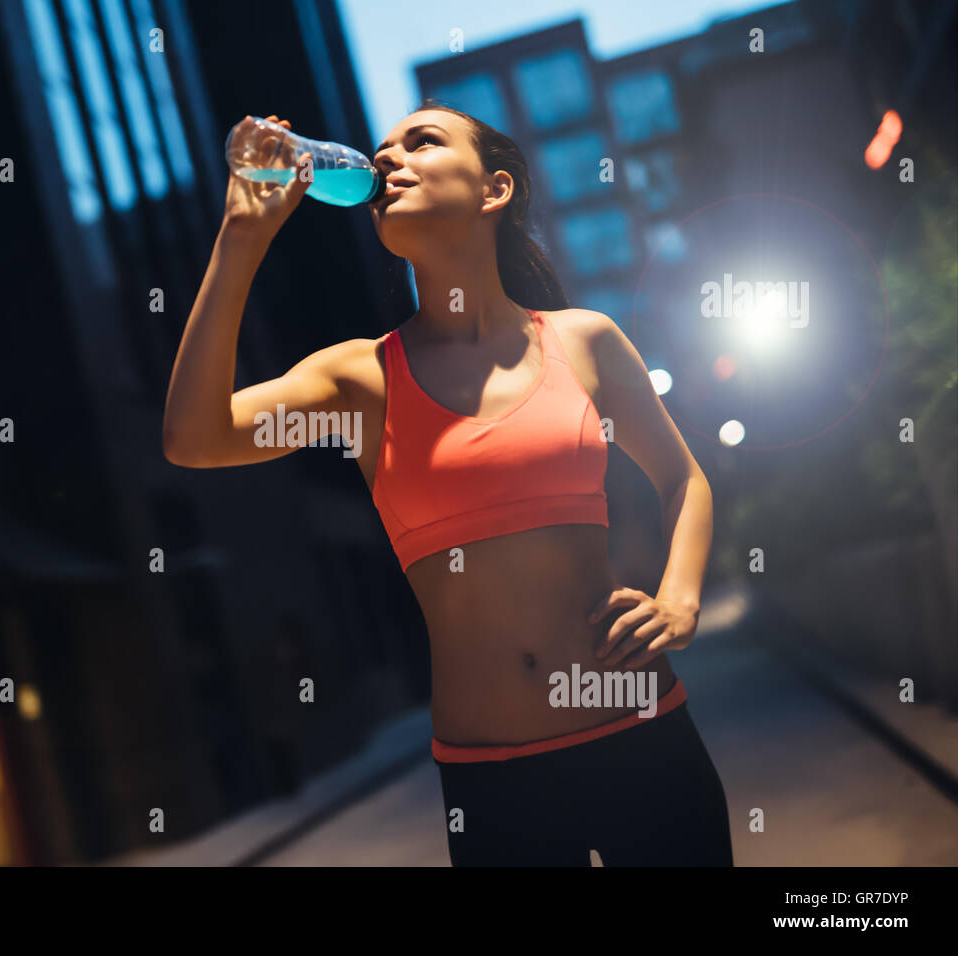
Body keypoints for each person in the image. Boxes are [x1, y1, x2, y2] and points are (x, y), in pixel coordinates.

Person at [162, 101, 732, 866]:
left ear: (494, 190)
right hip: (492, 785)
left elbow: (683, 479)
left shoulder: (583, 341)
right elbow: (195, 441)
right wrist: (241, 241)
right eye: (381, 152)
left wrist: (679, 601)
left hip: (641, 733)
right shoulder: (361, 380)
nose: (387, 161)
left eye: (421, 142)